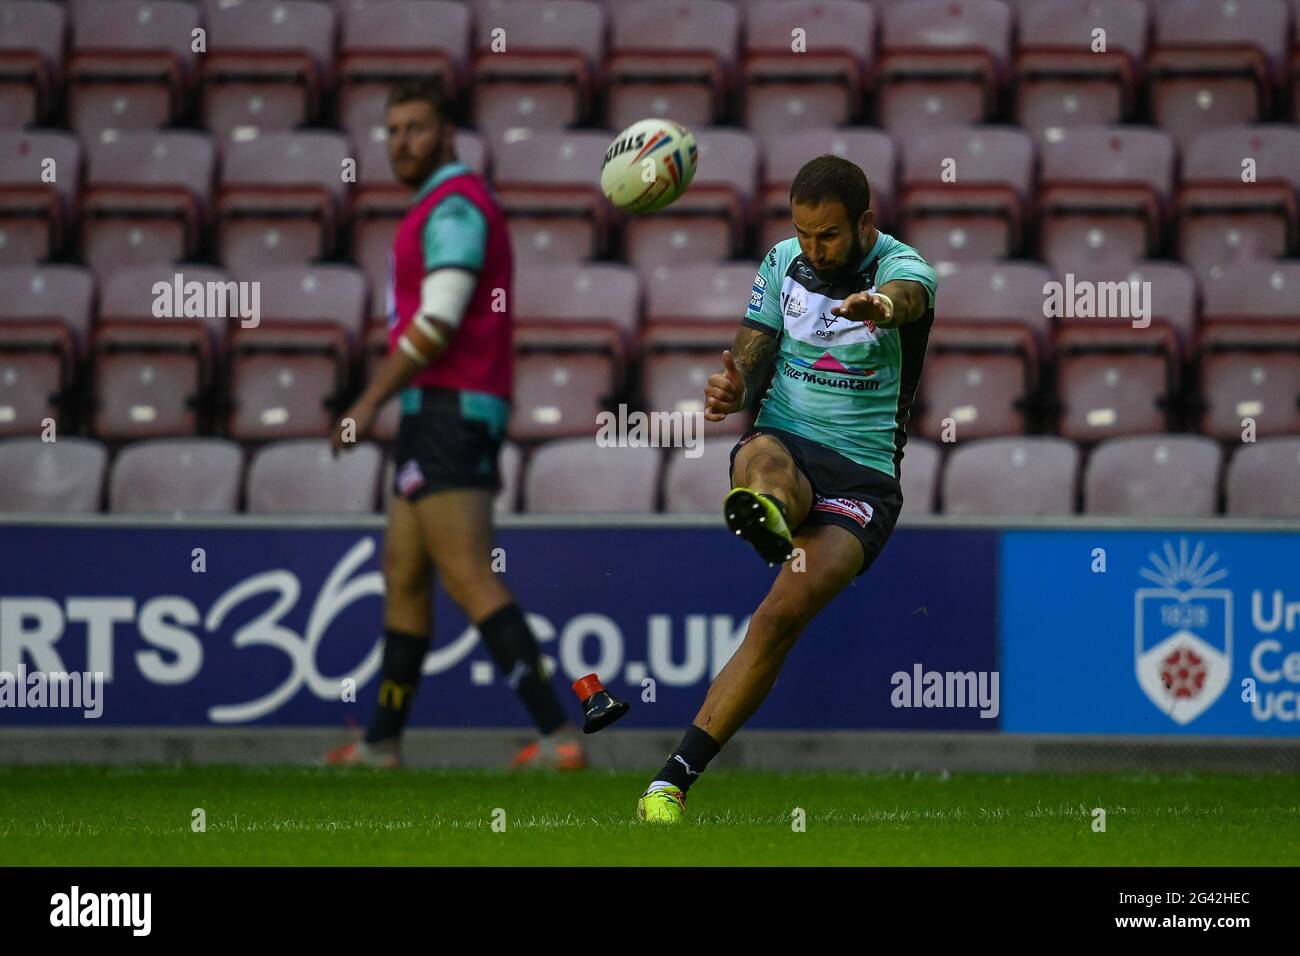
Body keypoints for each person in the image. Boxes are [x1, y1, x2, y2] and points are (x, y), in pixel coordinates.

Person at [636, 155, 939, 821]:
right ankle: (768, 512)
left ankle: (677, 775)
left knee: (777, 618)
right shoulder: (782, 264)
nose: (813, 248)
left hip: (864, 475)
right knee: (768, 464)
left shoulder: (902, 268)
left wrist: (880, 306)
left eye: (827, 235)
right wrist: (733, 387)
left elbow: (909, 296)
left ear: (864, 223)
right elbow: (751, 349)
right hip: (786, 439)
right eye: (802, 232)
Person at [325, 79, 584, 770]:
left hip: (449, 407)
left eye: (415, 128)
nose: (400, 142)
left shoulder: (455, 209)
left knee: (468, 574)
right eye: (392, 130)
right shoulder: (437, 207)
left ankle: (561, 739)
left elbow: (438, 323)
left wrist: (367, 401)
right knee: (404, 573)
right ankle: (382, 744)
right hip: (431, 410)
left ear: (448, 135)